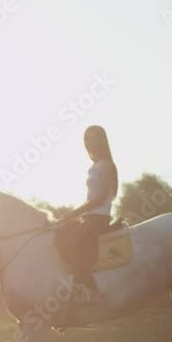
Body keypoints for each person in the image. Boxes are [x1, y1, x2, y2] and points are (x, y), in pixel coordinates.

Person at [57, 125, 119, 302]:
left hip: (99, 218)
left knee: (74, 239)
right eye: (86, 139)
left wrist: (72, 213)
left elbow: (99, 199)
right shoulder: (95, 166)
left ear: (102, 141)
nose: (89, 142)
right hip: (90, 217)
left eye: (93, 138)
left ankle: (89, 290)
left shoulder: (106, 165)